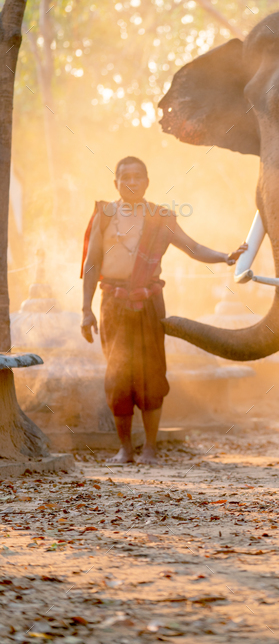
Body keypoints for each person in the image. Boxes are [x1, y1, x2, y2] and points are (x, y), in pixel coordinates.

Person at [81, 156, 247, 465]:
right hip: (112, 304)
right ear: (115, 183)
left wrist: (225, 256)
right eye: (124, 176)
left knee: (152, 373)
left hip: (148, 303)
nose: (131, 181)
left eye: (137, 176)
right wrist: (85, 310)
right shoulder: (104, 214)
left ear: (147, 182)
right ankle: (125, 450)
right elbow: (91, 265)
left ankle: (150, 449)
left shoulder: (160, 217)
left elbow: (193, 247)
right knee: (118, 375)